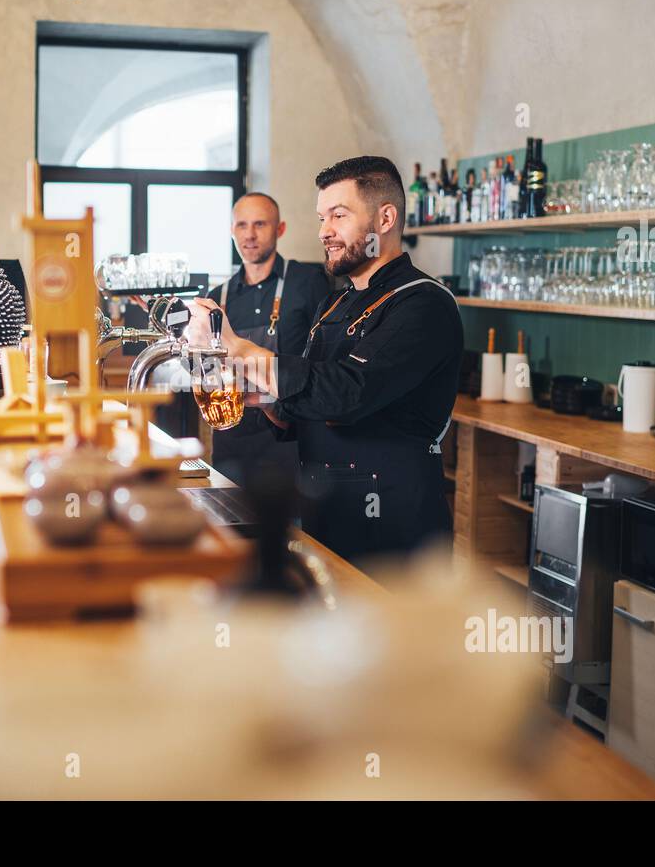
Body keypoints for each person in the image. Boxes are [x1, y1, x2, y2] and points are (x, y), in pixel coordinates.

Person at [186, 156, 463, 565]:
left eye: (338, 215)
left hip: (395, 532)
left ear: (385, 218)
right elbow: (312, 401)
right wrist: (265, 401)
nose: (324, 232)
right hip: (326, 516)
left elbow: (347, 393)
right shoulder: (335, 304)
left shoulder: (423, 303)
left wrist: (239, 348)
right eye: (321, 218)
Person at [204, 192, 331, 486]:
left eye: (260, 224)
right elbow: (204, 367)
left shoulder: (308, 282)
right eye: (241, 225)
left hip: (289, 440)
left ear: (280, 229)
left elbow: (325, 362)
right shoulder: (217, 297)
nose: (249, 235)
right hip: (231, 444)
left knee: (290, 532)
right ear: (231, 230)